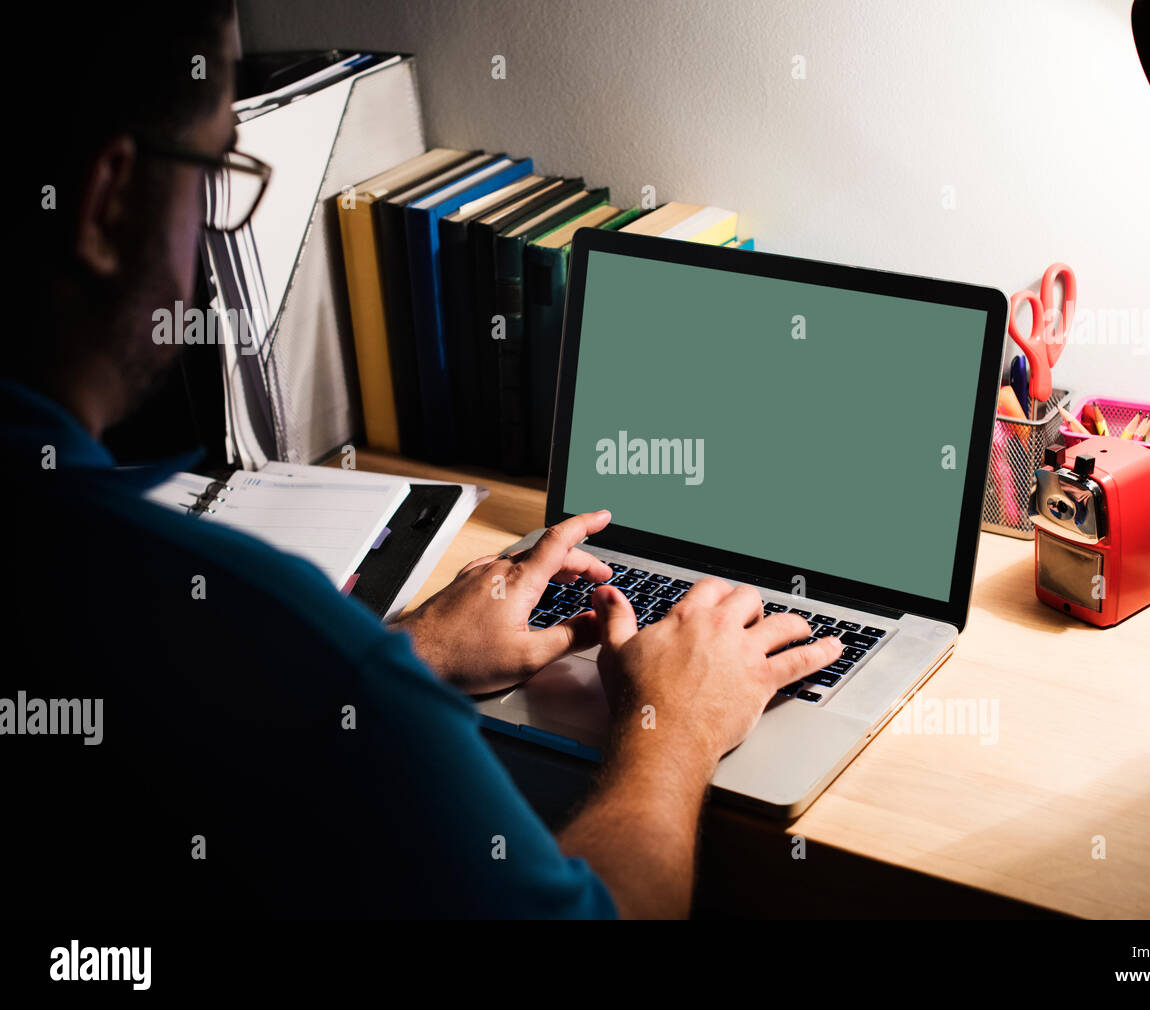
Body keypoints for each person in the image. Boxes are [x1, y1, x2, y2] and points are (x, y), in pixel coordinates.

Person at [3, 1, 840, 918]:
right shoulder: (250, 627)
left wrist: (414, 648)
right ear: (109, 201)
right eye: (213, 172)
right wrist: (672, 729)